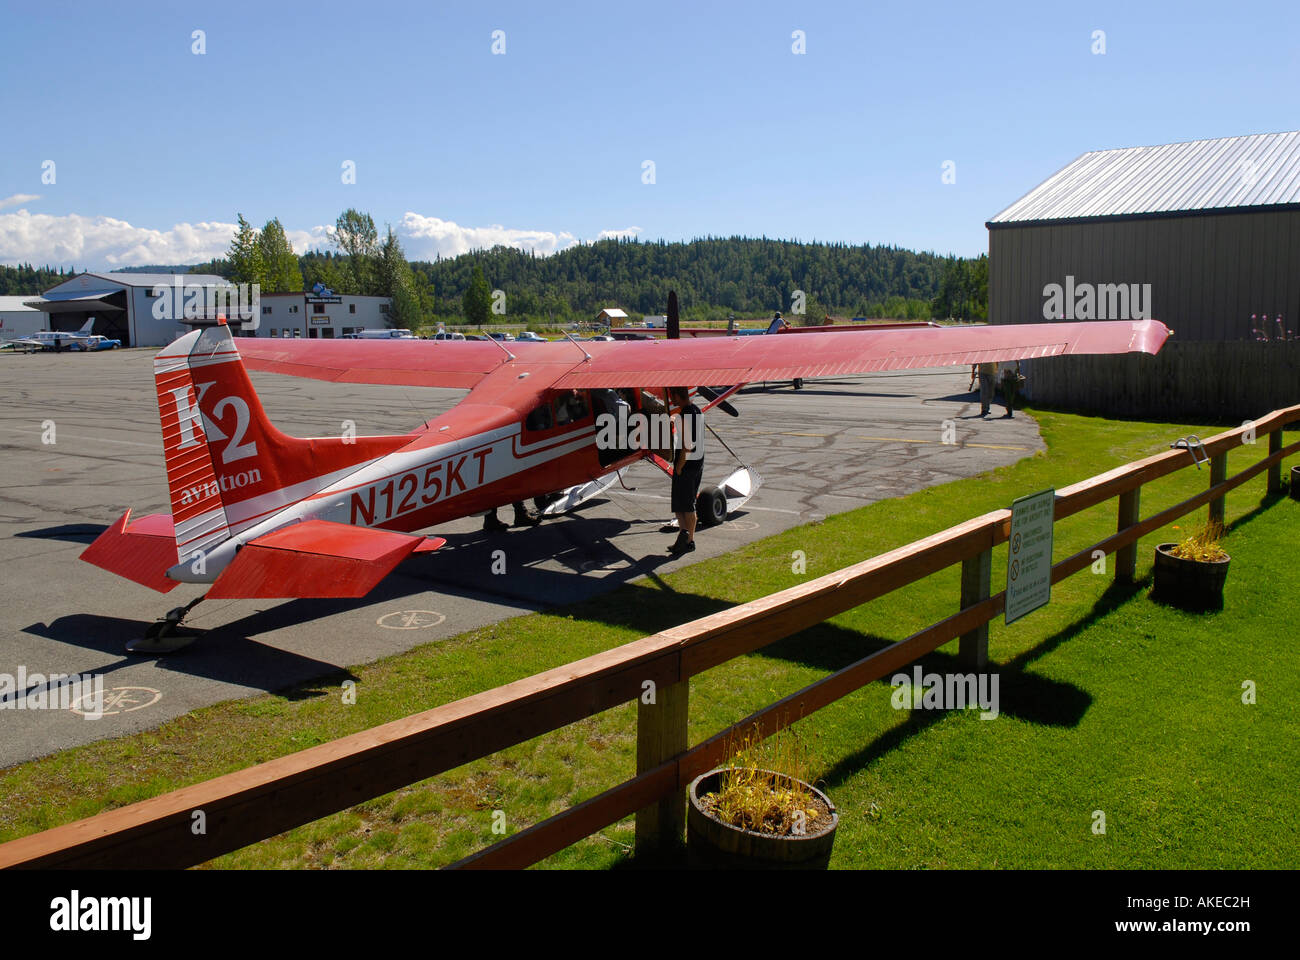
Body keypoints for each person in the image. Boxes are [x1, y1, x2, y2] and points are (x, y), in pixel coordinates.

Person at [667, 386, 704, 555]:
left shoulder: (685, 415)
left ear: (677, 395)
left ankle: (690, 541)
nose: (670, 399)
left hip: (687, 465)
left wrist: (679, 466)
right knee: (680, 504)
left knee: (687, 505)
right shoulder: (696, 410)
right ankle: (683, 538)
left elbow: (687, 445)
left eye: (671, 396)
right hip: (697, 463)